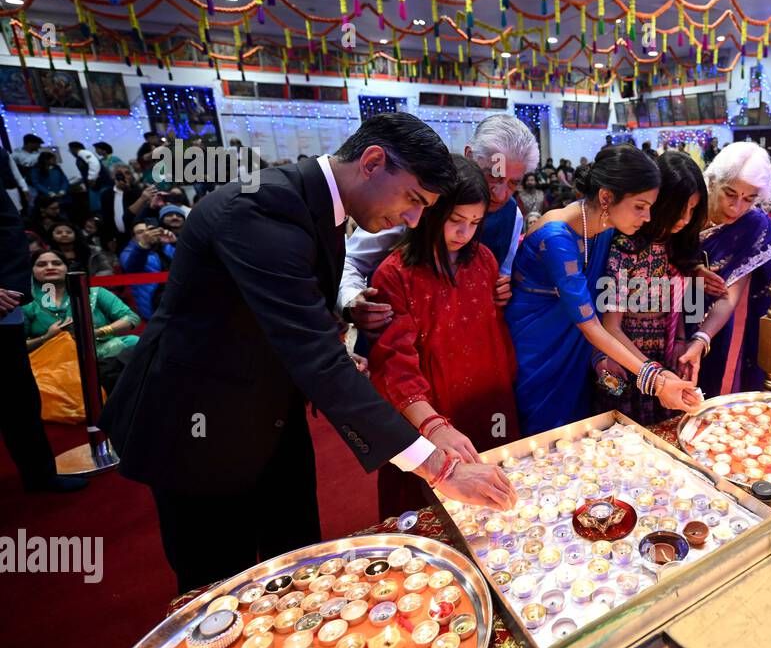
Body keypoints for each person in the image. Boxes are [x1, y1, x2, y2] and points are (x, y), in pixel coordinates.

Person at [100, 113, 516, 593]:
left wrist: (340, 328)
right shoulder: (258, 208)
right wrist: (436, 465)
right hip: (200, 427)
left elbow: (292, 319)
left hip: (273, 415)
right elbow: (313, 356)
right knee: (220, 588)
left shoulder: (319, 206)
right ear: (373, 162)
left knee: (295, 567)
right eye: (413, 200)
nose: (413, 219)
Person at [506, 145, 702, 434]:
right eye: (640, 206)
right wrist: (656, 381)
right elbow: (593, 326)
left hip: (578, 345)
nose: (648, 217)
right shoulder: (557, 237)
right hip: (542, 350)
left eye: (650, 207)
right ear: (606, 197)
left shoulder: (604, 230)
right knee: (545, 437)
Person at [369, 156, 520, 520]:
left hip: (489, 403)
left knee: (497, 507)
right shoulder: (395, 274)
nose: (464, 233)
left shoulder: (482, 259)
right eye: (455, 220)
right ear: (431, 212)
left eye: (475, 223)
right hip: (431, 411)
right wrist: (433, 425)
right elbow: (394, 366)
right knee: (433, 511)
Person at [338, 114, 533, 338]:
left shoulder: (512, 214)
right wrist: (353, 299)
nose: (500, 193)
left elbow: (503, 274)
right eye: (493, 175)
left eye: (513, 182)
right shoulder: (421, 197)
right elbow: (351, 259)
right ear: (470, 155)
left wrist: (502, 288)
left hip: (462, 340)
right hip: (401, 334)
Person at [593, 150, 710, 425]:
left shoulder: (676, 245)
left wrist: (680, 340)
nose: (684, 219)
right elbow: (611, 326)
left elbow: (679, 303)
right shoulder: (626, 247)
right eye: (679, 209)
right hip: (627, 356)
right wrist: (651, 373)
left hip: (665, 352)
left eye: (692, 210)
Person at [0, 190, 87, 493]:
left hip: (4, 306)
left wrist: (7, 291)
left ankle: (40, 475)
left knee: (19, 399)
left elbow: (8, 230)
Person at [687, 142, 771, 395]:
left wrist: (701, 339)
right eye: (730, 194)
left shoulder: (753, 225)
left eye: (749, 199)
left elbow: (728, 295)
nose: (737, 207)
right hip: (663, 313)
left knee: (701, 395)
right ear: (712, 181)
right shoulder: (688, 204)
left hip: (712, 324)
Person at [24, 250, 139, 393]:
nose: (50, 267)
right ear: (32, 270)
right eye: (41, 264)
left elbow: (131, 318)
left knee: (134, 343)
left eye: (57, 263)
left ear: (67, 268)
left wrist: (96, 332)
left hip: (98, 351)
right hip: (52, 360)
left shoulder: (94, 292)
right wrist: (46, 337)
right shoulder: (26, 302)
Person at [118, 218, 175, 320]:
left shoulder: (167, 246)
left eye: (150, 229)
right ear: (134, 238)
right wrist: (143, 245)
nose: (147, 234)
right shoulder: (127, 252)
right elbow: (132, 269)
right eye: (140, 232)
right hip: (154, 304)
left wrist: (175, 243)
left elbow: (188, 263)